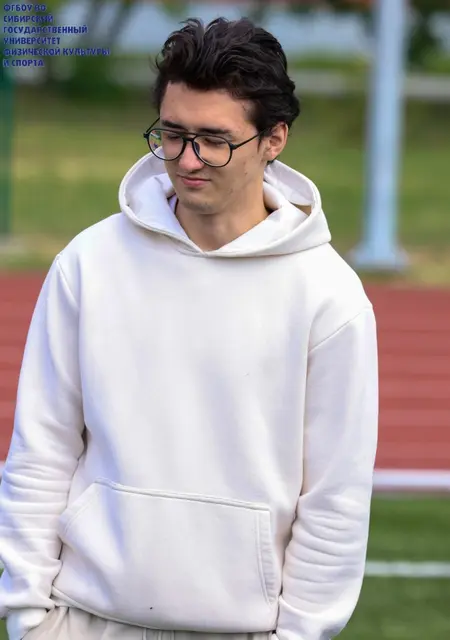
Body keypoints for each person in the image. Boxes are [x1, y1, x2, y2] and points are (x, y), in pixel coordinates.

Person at [0, 16, 378, 640]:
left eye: (214, 139)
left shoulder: (329, 296)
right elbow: (41, 450)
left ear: (274, 139)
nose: (187, 159)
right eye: (172, 134)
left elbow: (335, 499)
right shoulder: (89, 264)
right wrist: (27, 616)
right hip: (82, 621)